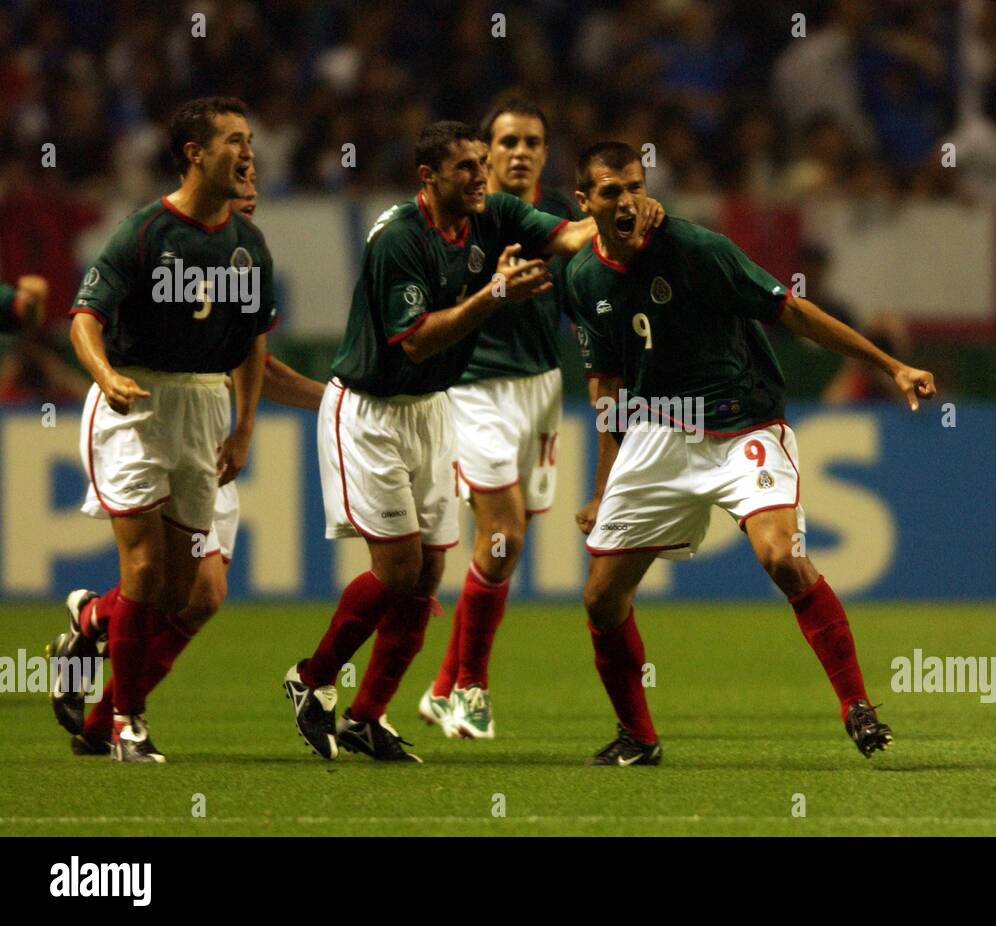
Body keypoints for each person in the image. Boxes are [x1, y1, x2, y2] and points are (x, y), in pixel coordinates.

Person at [284, 122, 662, 762]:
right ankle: (313, 677)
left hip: (429, 410)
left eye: (481, 165)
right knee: (400, 568)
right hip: (372, 410)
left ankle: (366, 715)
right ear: (428, 178)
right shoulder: (399, 238)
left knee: (429, 573)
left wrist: (620, 211)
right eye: (466, 168)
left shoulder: (492, 213)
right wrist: (493, 295)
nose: (481, 177)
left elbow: (568, 235)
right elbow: (418, 339)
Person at [567, 142, 936, 766]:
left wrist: (891, 364)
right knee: (602, 598)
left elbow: (794, 312)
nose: (626, 201)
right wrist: (603, 486)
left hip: (744, 429)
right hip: (658, 433)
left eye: (635, 186)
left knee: (781, 557)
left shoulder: (697, 249)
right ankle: (638, 737)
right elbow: (607, 386)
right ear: (585, 203)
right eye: (610, 192)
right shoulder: (583, 279)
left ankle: (858, 707)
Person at [52, 167, 326, 757]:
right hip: (161, 422)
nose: (248, 189)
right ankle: (121, 716)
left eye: (255, 180)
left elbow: (255, 358)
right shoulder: (164, 246)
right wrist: (337, 402)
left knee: (192, 597)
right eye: (239, 175)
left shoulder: (245, 260)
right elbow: (257, 365)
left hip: (208, 436)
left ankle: (96, 629)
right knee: (167, 582)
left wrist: (267, 421)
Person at [418, 99, 584, 740]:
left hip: (539, 391)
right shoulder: (463, 217)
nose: (519, 151)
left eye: (532, 141)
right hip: (472, 390)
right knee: (503, 535)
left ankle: (439, 688)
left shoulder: (561, 223)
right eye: (507, 140)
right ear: (483, 151)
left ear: (545, 153)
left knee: (502, 550)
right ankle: (471, 688)